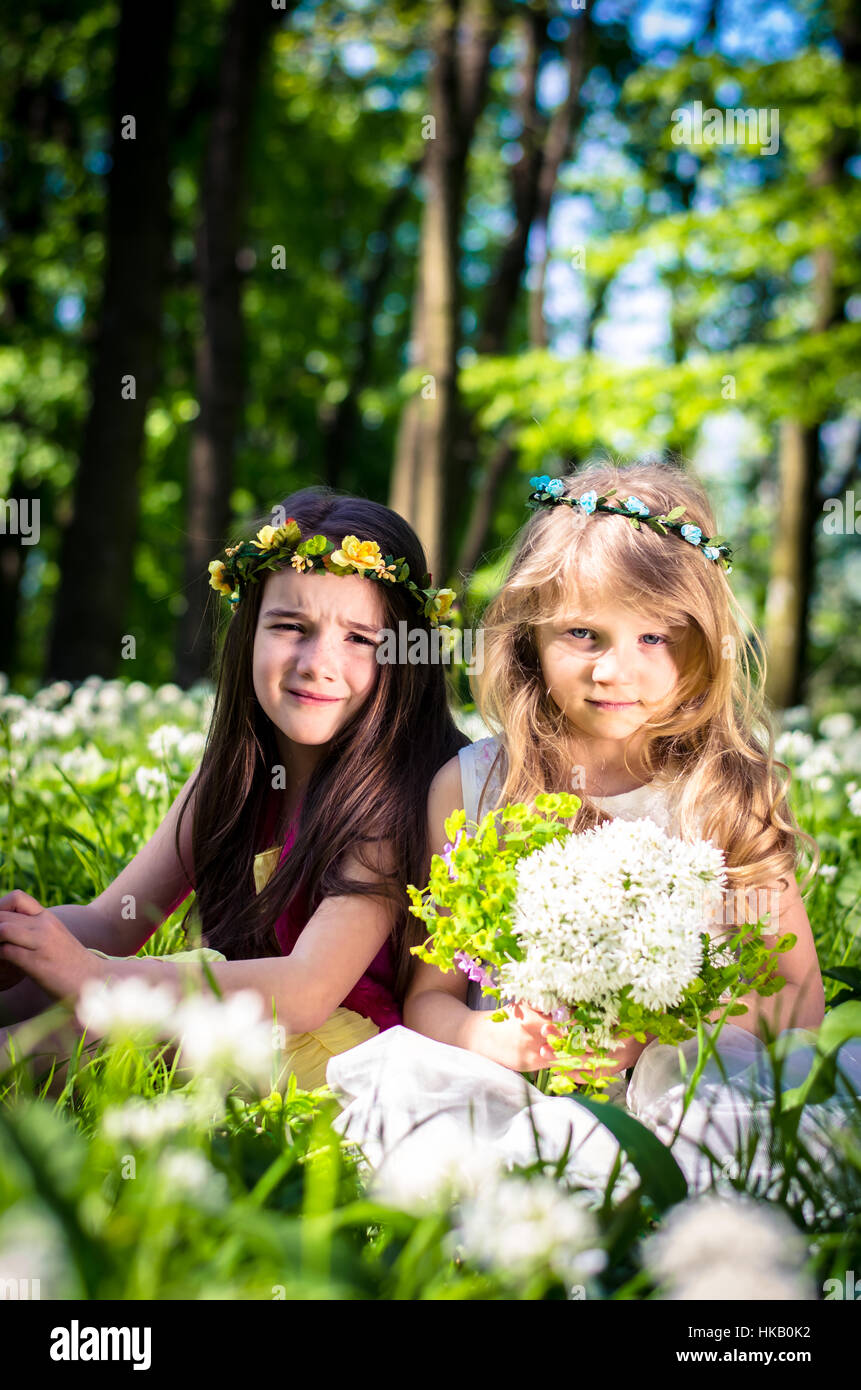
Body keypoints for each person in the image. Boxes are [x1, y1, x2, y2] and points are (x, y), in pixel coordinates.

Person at [328, 459, 861, 1203]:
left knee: (748, 1145)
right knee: (475, 1155)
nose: (617, 671)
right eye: (583, 634)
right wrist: (488, 1038)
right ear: (527, 641)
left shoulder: (722, 792)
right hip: (520, 1085)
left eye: (655, 638)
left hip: (692, 1090)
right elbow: (430, 997)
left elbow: (796, 995)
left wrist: (664, 1028)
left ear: (702, 646)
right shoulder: (474, 786)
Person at [0, 487, 468, 1090]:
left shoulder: (394, 794)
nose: (316, 662)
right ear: (249, 630)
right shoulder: (232, 774)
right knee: (31, 991)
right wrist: (29, 939)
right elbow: (109, 923)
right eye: (290, 626)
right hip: (251, 1017)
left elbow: (305, 990)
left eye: (359, 639)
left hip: (348, 1057)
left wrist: (98, 979)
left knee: (84, 1026)